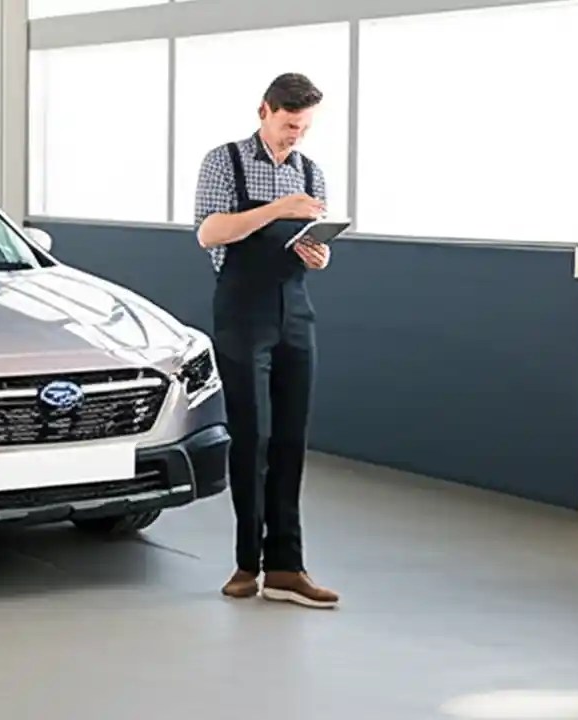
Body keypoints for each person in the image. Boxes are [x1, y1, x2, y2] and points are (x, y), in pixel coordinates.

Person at [193, 72, 340, 609]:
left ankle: (286, 567)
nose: (294, 135)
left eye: (303, 127)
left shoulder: (311, 171)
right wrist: (277, 209)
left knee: (291, 439)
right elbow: (209, 233)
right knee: (251, 437)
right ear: (264, 111)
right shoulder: (224, 161)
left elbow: (311, 242)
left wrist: (320, 255)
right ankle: (244, 565)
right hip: (242, 313)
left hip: (295, 312)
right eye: (287, 125)